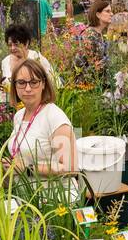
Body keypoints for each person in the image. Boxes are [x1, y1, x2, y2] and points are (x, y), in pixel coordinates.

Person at [6, 58, 77, 198]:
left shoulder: (54, 116)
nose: (27, 88)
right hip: (28, 199)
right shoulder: (19, 116)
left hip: (55, 202)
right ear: (14, 86)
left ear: (43, 84)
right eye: (21, 82)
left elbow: (70, 168)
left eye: (34, 82)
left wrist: (27, 170)